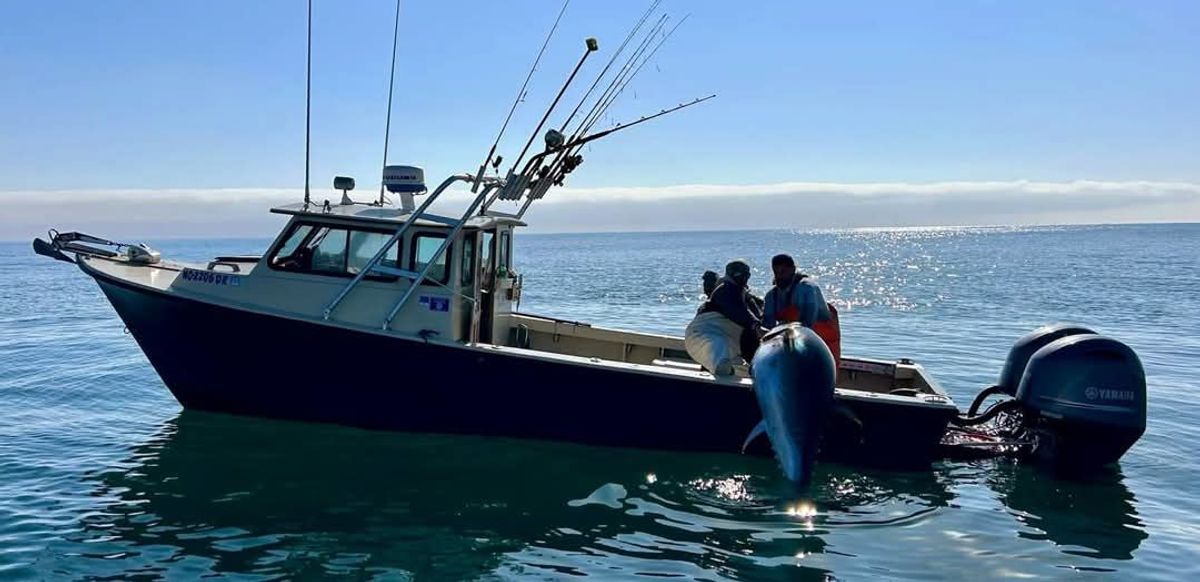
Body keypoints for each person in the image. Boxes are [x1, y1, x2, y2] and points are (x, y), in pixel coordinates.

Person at [763, 253, 841, 367]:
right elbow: (768, 326)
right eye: (776, 272)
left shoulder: (807, 288)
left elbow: (808, 323)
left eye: (783, 272)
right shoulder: (771, 296)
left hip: (822, 337)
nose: (779, 276)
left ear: (793, 270)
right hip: (792, 336)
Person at [685, 260, 762, 375]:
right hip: (703, 334)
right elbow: (738, 311)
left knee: (743, 370)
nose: (744, 277)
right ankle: (717, 369)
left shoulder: (746, 296)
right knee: (718, 349)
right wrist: (756, 326)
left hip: (729, 341)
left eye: (746, 275)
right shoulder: (725, 289)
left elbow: (760, 313)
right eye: (739, 274)